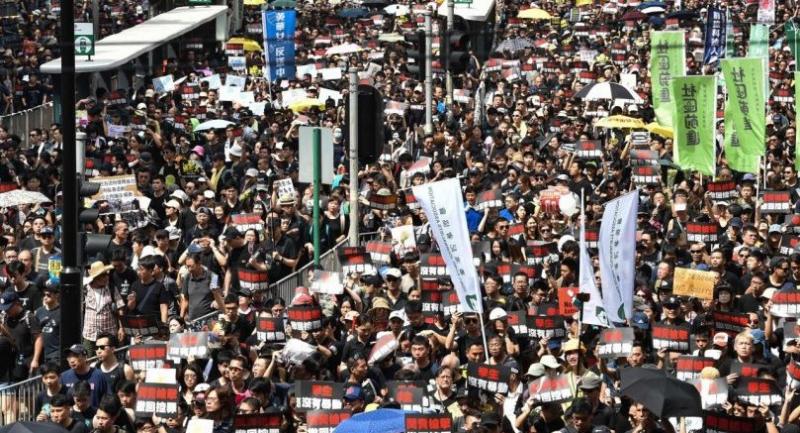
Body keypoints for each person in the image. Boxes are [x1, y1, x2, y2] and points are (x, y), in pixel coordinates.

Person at [61, 344, 110, 409]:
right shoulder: (63, 377)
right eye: (69, 357)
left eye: (76, 356)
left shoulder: (99, 375)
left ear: (85, 357)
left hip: (94, 417)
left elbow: (108, 400)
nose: (72, 360)